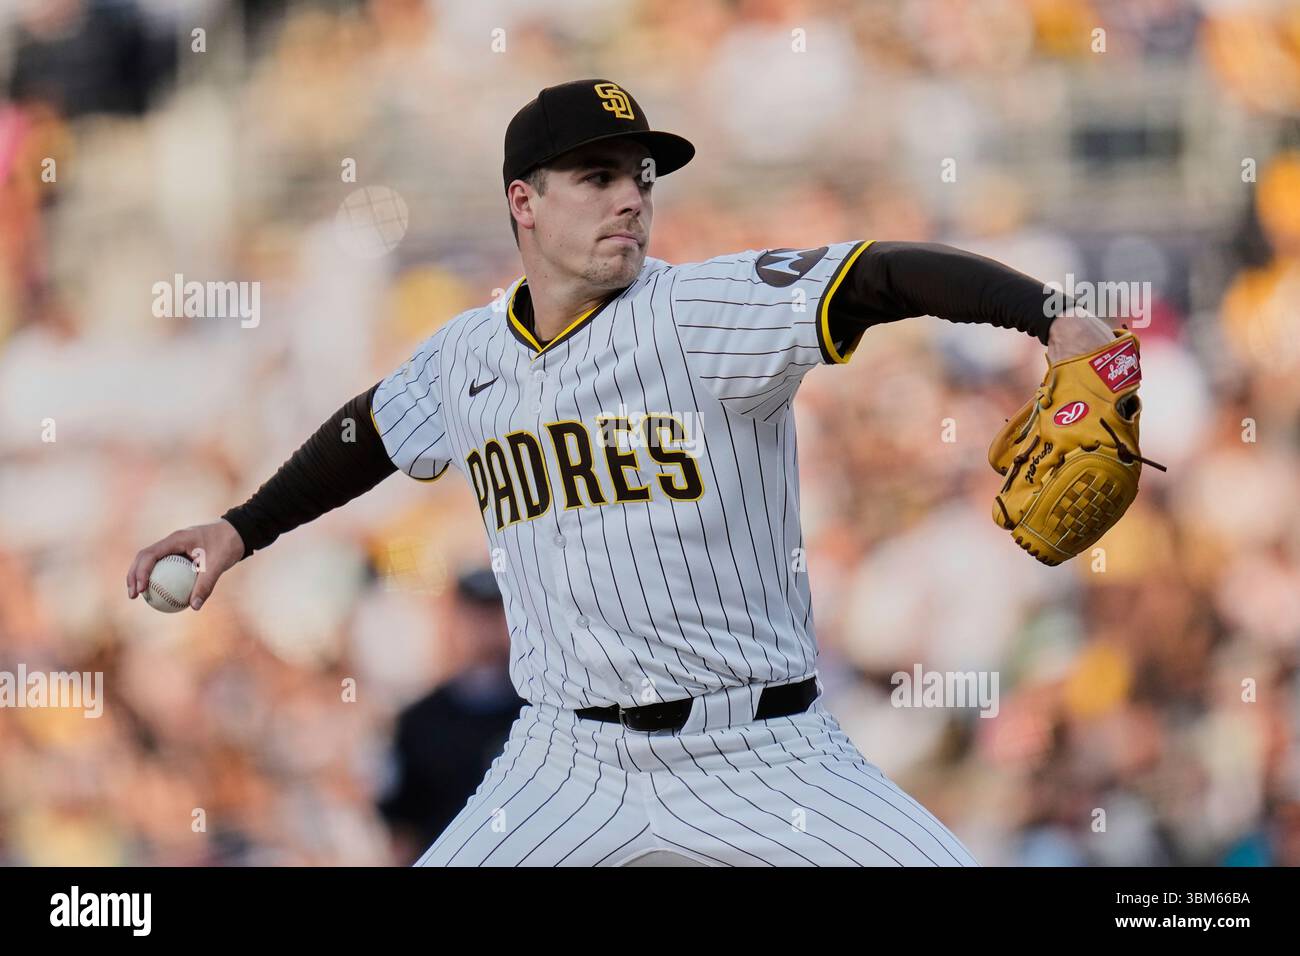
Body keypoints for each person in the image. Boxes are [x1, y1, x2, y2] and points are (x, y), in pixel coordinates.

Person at [128, 78, 1115, 866]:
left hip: (763, 749)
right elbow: (372, 430)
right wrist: (237, 528)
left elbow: (879, 273)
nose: (631, 197)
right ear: (524, 201)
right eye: (596, 176)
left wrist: (1048, 315)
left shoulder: (701, 311)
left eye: (640, 175)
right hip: (570, 760)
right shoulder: (466, 354)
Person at [377, 569, 523, 864]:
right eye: (475, 616)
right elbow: (404, 827)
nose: (485, 629)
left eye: (494, 614)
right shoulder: (420, 720)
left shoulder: (537, 711)